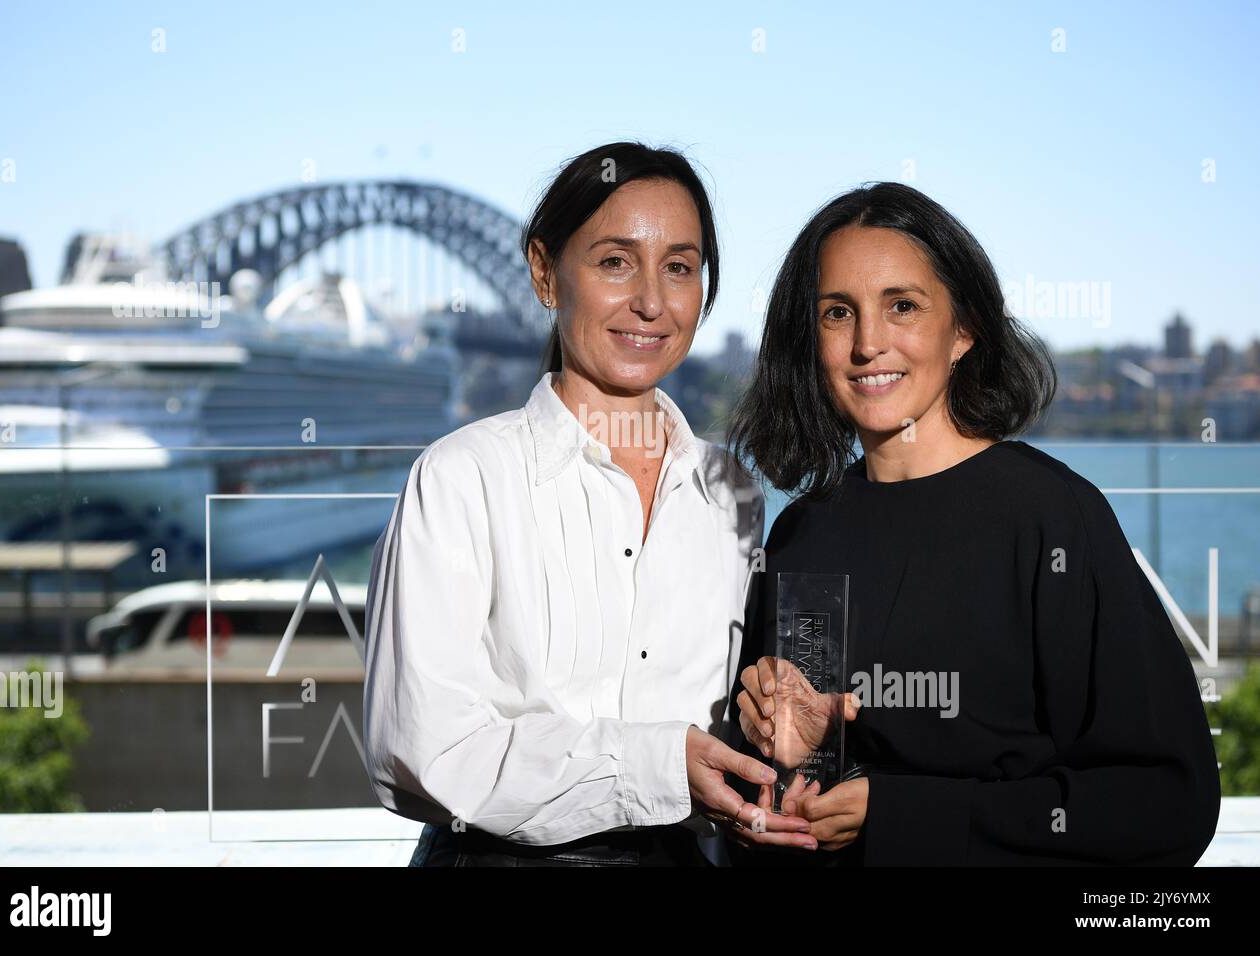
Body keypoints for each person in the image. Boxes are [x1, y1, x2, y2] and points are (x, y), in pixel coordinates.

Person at [723, 181, 1221, 866]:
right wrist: (792, 765)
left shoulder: (1053, 520)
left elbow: (1168, 802)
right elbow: (791, 818)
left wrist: (897, 814)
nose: (869, 343)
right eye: (839, 313)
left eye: (902, 306)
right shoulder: (801, 535)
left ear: (964, 330)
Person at [362, 142, 817, 866]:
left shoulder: (730, 490)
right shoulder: (462, 478)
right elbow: (420, 752)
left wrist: (777, 734)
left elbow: (716, 737)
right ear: (545, 273)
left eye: (679, 267)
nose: (650, 301)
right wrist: (656, 768)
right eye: (614, 261)